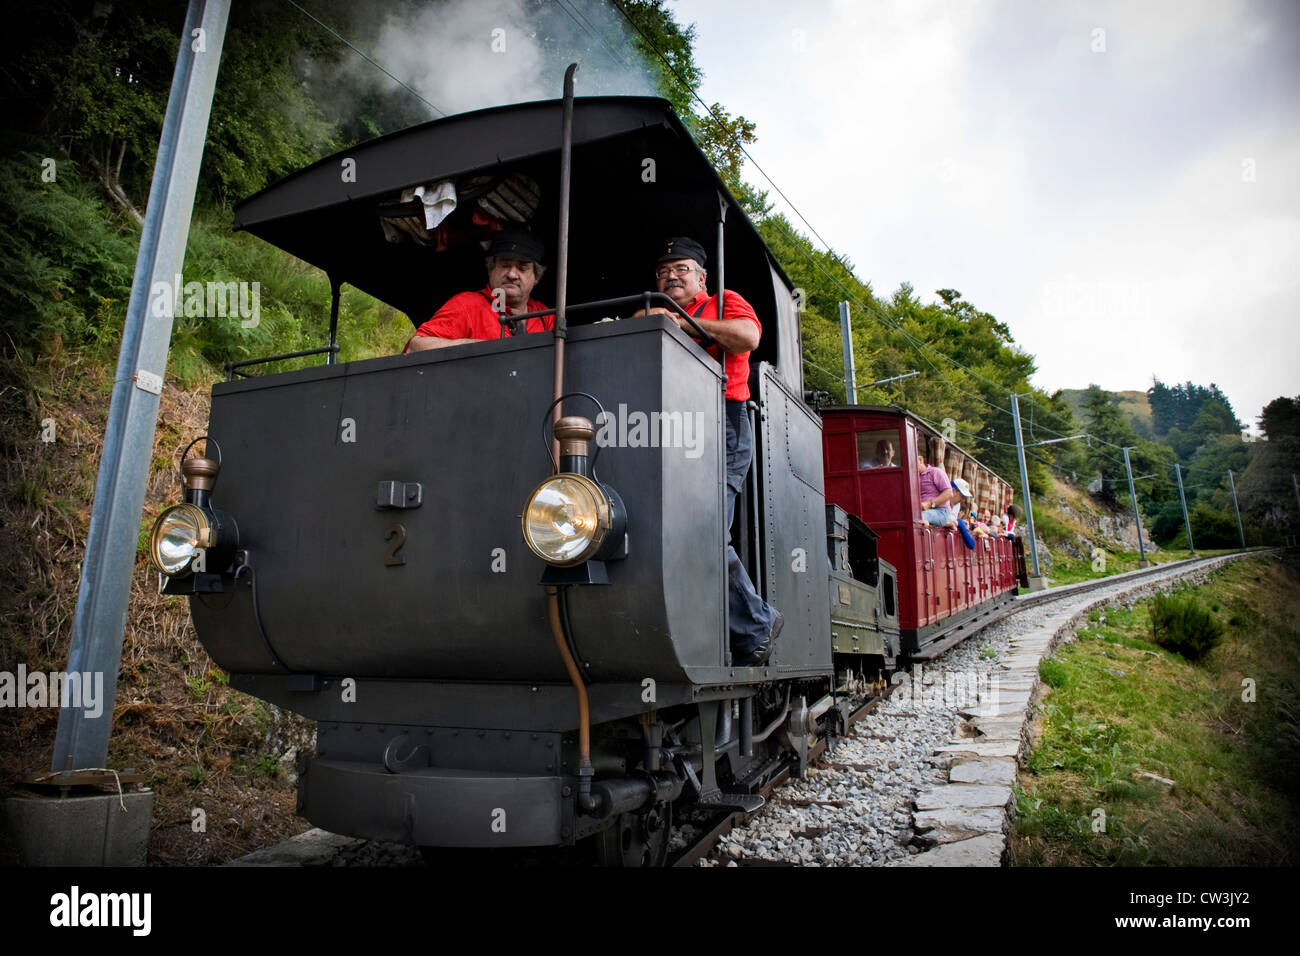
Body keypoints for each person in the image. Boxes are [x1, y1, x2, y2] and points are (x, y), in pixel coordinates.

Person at [640, 236, 782, 666]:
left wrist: (682, 324)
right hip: (666, 426)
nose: (672, 275)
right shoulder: (650, 309)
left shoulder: (725, 300)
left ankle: (757, 623)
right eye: (665, 270)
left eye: (682, 268)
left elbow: (747, 337)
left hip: (724, 422)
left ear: (702, 277)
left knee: (706, 528)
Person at [405, 227, 553, 351]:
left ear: (536, 277)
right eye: (505, 265)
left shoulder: (546, 316)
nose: (512, 274)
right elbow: (416, 346)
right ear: (491, 269)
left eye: (522, 268)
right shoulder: (467, 305)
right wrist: (476, 348)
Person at [918, 445, 958, 530]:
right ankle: (948, 523)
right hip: (921, 511)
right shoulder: (912, 477)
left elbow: (948, 493)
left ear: (920, 460)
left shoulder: (936, 472)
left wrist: (929, 504)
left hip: (941, 511)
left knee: (917, 517)